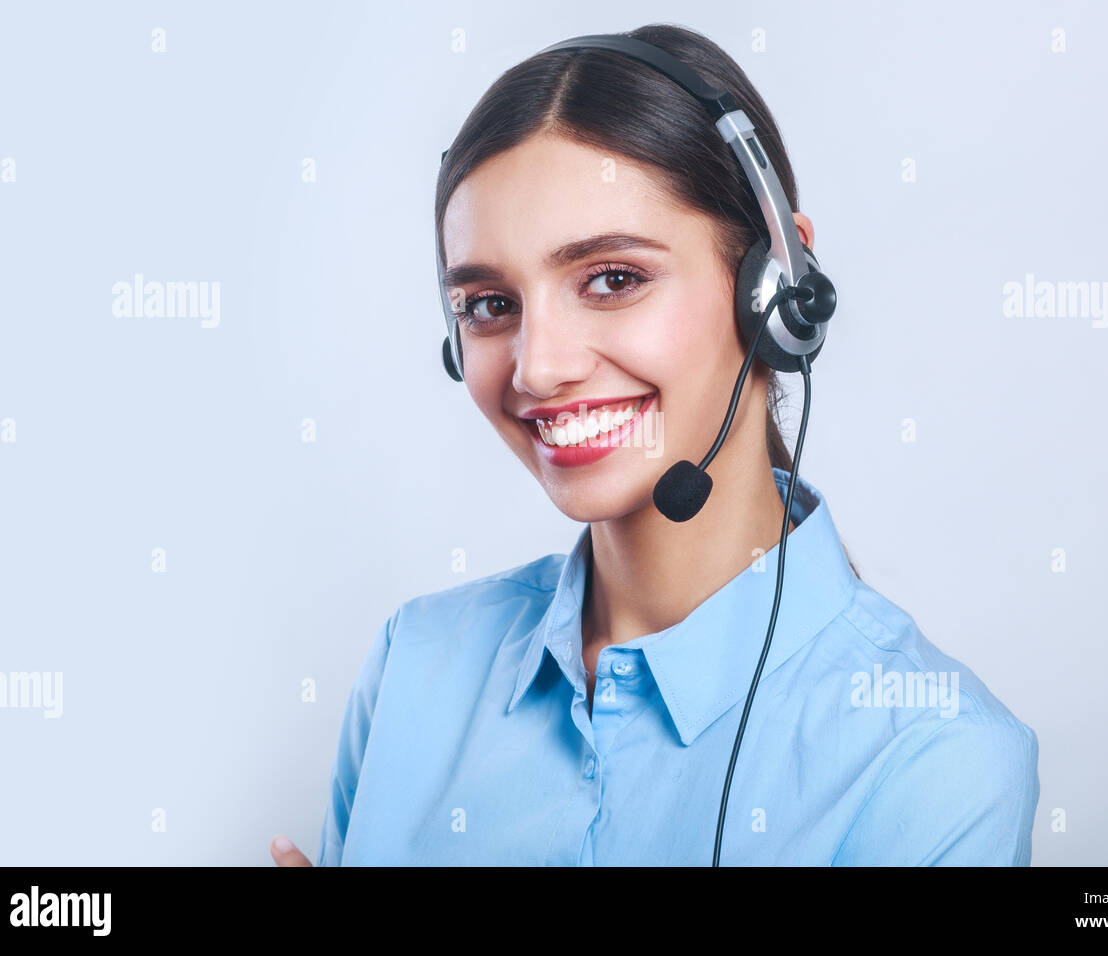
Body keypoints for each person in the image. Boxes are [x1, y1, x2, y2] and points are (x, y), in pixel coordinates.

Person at [271, 22, 1039, 867]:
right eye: (490, 305)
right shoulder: (413, 666)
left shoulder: (936, 761)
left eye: (613, 279)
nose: (538, 367)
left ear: (778, 290)